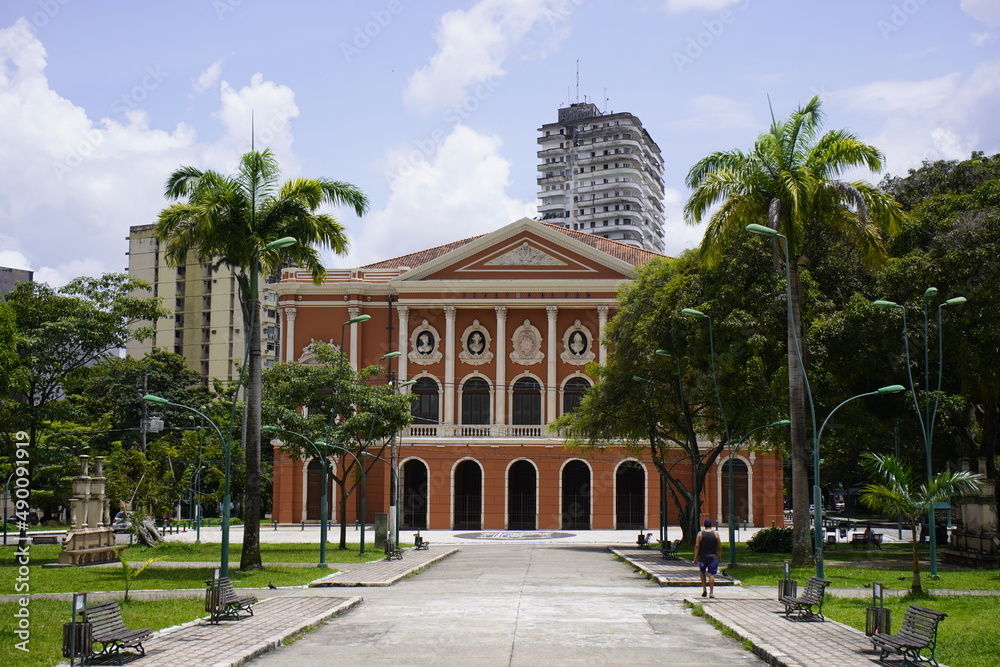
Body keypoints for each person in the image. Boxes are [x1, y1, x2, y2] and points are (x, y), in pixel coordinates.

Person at [694, 518, 722, 598]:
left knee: (702, 572)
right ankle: (711, 592)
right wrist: (719, 555)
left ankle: (704, 589)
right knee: (711, 574)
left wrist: (695, 557)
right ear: (711, 525)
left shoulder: (700, 534)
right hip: (713, 557)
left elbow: (697, 546)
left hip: (702, 557)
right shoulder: (716, 534)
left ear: (704, 525)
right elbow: (719, 546)